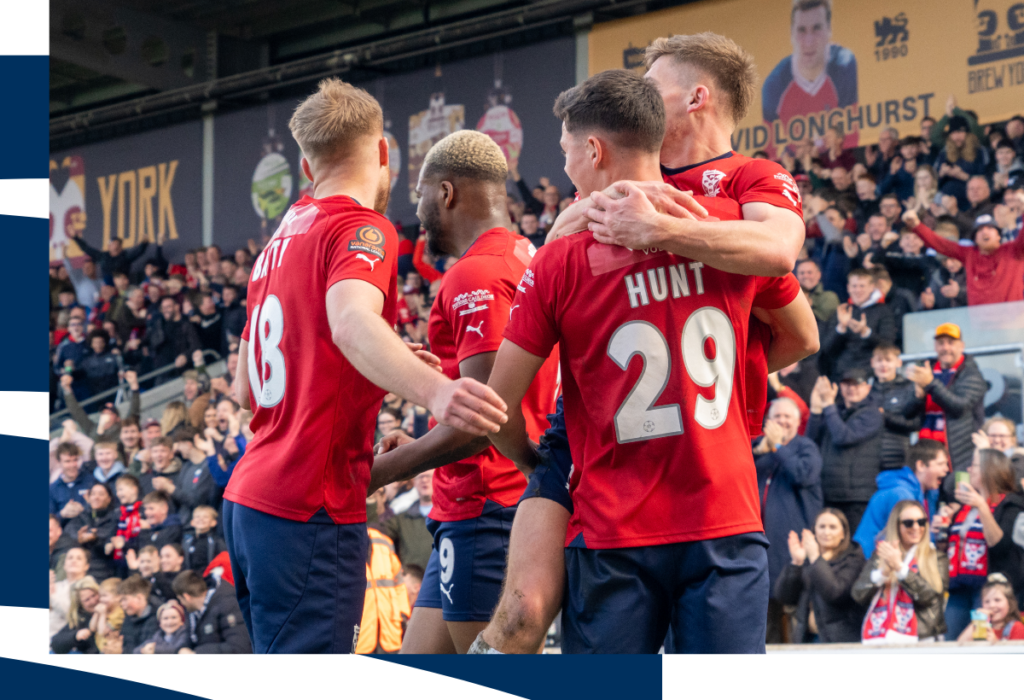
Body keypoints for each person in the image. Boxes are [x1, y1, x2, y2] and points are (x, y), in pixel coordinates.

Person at [475, 34, 817, 656]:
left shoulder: (744, 185)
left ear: (695, 96)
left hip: (701, 458)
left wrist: (661, 227)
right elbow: (550, 280)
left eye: (650, 83)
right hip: (585, 438)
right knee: (520, 615)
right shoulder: (599, 203)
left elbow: (789, 284)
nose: (638, 95)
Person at [224, 78, 507, 656]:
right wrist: (437, 392)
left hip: (250, 499)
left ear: (305, 166)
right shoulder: (359, 227)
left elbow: (246, 388)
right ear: (384, 152)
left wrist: (387, 363)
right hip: (310, 504)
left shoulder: (275, 242)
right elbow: (351, 324)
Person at [366, 131, 560, 655]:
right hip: (478, 508)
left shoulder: (476, 273)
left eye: (421, 197)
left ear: (446, 192)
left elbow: (483, 421)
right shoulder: (528, 256)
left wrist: (383, 470)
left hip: (487, 507)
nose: (420, 214)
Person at [753, 397, 823, 641]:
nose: (782, 421)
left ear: (798, 421)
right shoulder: (758, 447)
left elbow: (802, 475)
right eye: (776, 417)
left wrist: (778, 448)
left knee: (791, 606)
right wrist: (761, 450)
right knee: (764, 611)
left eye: (787, 417)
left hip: (792, 544)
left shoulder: (806, 447)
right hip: (761, 541)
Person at [943, 448, 1024, 637]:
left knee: (982, 640)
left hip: (990, 590)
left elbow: (999, 545)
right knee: (952, 642)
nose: (969, 469)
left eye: (975, 466)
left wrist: (982, 506)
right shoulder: (964, 505)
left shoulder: (1012, 503)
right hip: (960, 586)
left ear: (990, 471)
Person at [761, 0, 858, 152]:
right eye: (801, 30)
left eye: (817, 28)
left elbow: (852, 137)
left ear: (829, 29)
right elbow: (769, 153)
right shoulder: (774, 85)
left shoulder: (844, 66)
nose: (809, 41)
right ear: (791, 33)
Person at [903, 323, 987, 489]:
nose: (945, 348)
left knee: (956, 499)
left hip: (959, 455)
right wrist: (918, 396)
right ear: (935, 346)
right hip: (927, 454)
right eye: (941, 343)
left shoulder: (971, 374)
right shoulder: (926, 371)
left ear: (961, 346)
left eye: (951, 342)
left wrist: (930, 384)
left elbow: (959, 407)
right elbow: (907, 414)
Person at [853, 500, 949, 642]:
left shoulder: (936, 557)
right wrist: (882, 573)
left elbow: (931, 597)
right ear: (896, 526)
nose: (916, 527)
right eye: (909, 523)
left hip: (923, 638)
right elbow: (858, 594)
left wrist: (900, 568)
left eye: (921, 522)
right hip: (882, 638)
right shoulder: (881, 555)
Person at [774, 508, 866, 643]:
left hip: (841, 642)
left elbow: (835, 593)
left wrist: (816, 558)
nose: (826, 532)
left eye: (833, 527)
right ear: (814, 531)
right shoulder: (807, 560)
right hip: (807, 639)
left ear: (843, 533)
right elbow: (785, 597)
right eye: (822, 526)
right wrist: (796, 563)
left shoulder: (853, 560)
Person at [807, 369, 882, 534]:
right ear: (840, 387)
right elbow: (811, 442)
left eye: (857, 384)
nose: (851, 389)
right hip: (829, 494)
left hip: (856, 497)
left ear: (867, 388)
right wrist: (815, 410)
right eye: (847, 384)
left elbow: (843, 437)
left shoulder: (872, 414)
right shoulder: (834, 411)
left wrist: (828, 404)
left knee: (855, 547)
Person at [903, 209, 1024, 304]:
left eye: (990, 228)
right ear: (975, 239)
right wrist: (916, 226)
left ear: (999, 236)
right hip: (980, 327)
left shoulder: (1014, 251)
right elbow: (940, 244)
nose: (985, 232)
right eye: (979, 230)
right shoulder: (969, 254)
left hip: (1012, 325)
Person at [853, 439, 949, 557]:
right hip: (872, 561)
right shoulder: (901, 494)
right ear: (921, 465)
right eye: (940, 464)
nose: (946, 469)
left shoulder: (928, 494)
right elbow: (906, 538)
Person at [819, 268, 896, 381]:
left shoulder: (884, 311)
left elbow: (888, 346)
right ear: (848, 288)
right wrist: (841, 328)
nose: (858, 290)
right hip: (841, 373)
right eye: (854, 286)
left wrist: (866, 332)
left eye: (862, 286)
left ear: (871, 287)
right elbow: (826, 349)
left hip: (871, 372)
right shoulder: (841, 311)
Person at [356, 527, 411, 654]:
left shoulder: (384, 542)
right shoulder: (340, 544)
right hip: (361, 637)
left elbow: (399, 584)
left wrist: (402, 614)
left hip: (390, 632)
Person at [869, 344, 923, 471]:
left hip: (899, 458)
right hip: (869, 460)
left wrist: (884, 416)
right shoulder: (865, 389)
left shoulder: (909, 388)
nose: (883, 365)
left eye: (888, 360)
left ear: (898, 363)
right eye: (879, 360)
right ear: (872, 363)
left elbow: (915, 423)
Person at [173, 571, 252, 655]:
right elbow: (189, 638)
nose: (181, 603)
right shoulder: (192, 611)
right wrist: (182, 649)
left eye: (180, 599)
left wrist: (198, 653)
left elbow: (240, 646)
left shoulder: (228, 604)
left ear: (186, 597)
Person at [379, 469, 434, 572]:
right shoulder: (402, 519)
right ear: (414, 482)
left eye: (428, 476)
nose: (424, 480)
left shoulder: (448, 517)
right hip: (411, 583)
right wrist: (376, 499)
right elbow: (377, 531)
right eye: (420, 477)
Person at [64, 482, 119, 581]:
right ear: (88, 498)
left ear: (109, 499)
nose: (96, 497)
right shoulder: (81, 516)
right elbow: (68, 533)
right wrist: (79, 539)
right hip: (79, 570)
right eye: (93, 494)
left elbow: (109, 541)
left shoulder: (115, 518)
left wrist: (95, 539)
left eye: (101, 494)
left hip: (104, 570)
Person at [956, 574, 1024, 642]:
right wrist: (975, 621)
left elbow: (1016, 652)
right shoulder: (980, 627)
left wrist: (996, 643)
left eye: (997, 600)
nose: (991, 605)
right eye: (987, 601)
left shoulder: (1017, 627)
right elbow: (960, 645)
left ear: (1009, 603)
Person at [49, 546, 90, 650]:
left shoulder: (88, 587)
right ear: (64, 565)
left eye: (79, 558)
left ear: (86, 566)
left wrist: (52, 596)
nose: (74, 561)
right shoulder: (56, 586)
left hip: (65, 646)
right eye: (70, 558)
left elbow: (72, 614)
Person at [50, 576, 102, 655]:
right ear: (80, 605)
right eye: (87, 600)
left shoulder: (114, 610)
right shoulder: (81, 617)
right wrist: (75, 636)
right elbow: (56, 643)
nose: (93, 601)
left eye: (94, 595)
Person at [50, 442, 95, 526]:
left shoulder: (91, 480)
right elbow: (50, 522)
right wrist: (62, 514)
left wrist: (86, 509)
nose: (73, 465)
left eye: (75, 460)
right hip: (64, 535)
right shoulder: (53, 489)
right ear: (58, 462)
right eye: (67, 461)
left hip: (90, 531)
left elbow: (102, 513)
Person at [117, 575, 162, 655]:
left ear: (139, 598)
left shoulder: (157, 618)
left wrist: (120, 652)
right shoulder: (128, 618)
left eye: (124, 599)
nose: (122, 604)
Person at [182, 505, 227, 577]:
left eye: (205, 517)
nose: (201, 519)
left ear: (213, 522)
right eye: (197, 516)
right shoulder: (186, 542)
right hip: (190, 580)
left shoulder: (217, 542)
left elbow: (224, 559)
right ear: (192, 522)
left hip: (209, 579)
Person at [795, 258, 839, 324]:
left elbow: (826, 321)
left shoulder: (829, 297)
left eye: (809, 272)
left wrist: (807, 306)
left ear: (819, 275)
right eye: (802, 273)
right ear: (797, 276)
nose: (805, 276)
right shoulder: (792, 297)